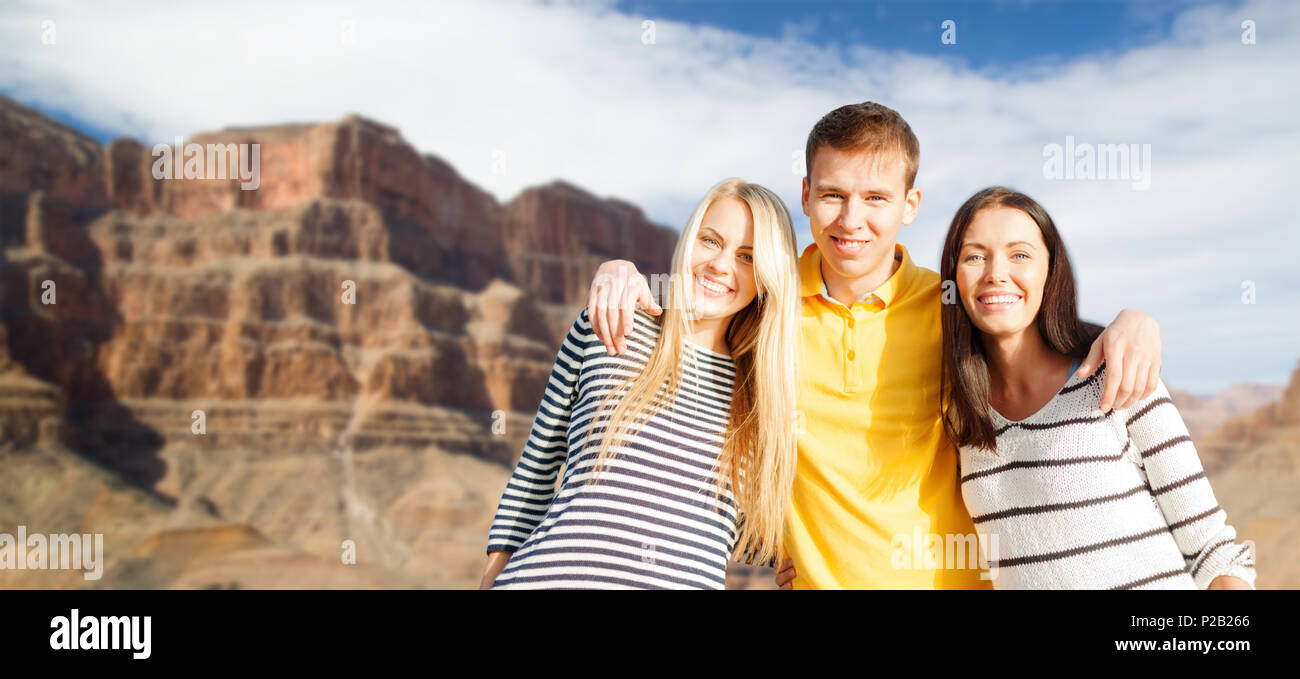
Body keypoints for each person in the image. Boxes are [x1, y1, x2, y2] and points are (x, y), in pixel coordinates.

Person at [586, 102, 1164, 589]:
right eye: (833, 195)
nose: (851, 219)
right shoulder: (765, 310)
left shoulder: (952, 310)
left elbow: (1038, 335)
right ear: (806, 196)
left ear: (910, 205)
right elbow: (694, 378)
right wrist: (621, 274)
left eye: (876, 198)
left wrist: (1133, 322)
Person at [480, 178, 801, 589]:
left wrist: (794, 561)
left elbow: (736, 531)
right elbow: (535, 473)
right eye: (710, 240)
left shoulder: (761, 397)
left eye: (746, 256)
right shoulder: (614, 324)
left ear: (767, 277)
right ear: (689, 240)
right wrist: (490, 579)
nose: (721, 265)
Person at [938, 186, 1256, 589]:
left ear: (1050, 271)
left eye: (1020, 255)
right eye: (975, 256)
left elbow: (1215, 553)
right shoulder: (959, 413)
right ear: (953, 277)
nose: (996, 272)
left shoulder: (1117, 375)